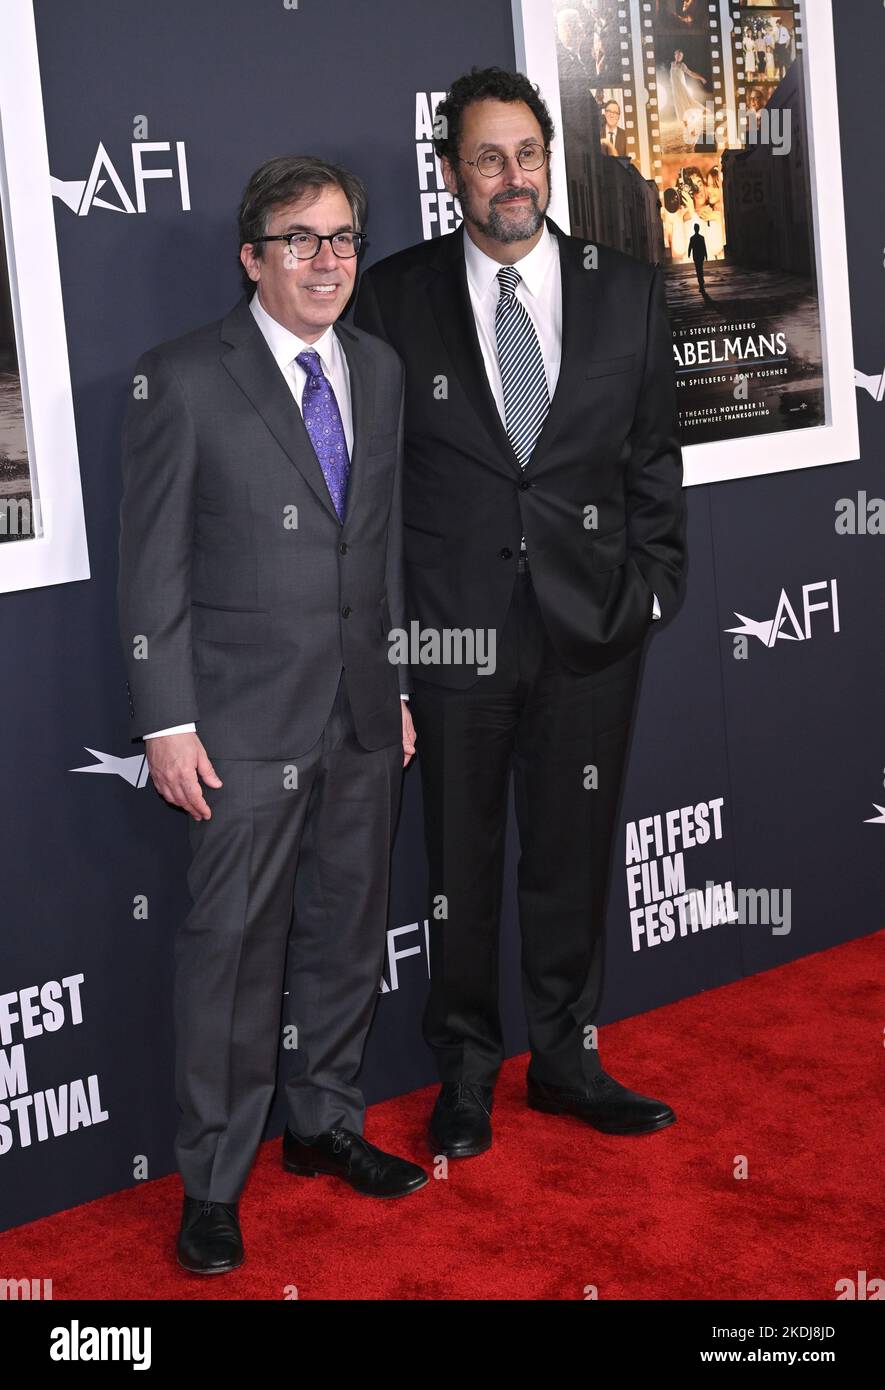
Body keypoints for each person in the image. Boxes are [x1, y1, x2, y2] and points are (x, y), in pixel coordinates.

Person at [355, 68, 686, 1161]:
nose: (512, 178)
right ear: (451, 172)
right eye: (487, 158)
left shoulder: (626, 288)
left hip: (590, 629)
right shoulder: (393, 297)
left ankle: (567, 1058)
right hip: (452, 636)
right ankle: (463, 1070)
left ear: (552, 162)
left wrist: (650, 588)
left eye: (528, 155)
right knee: (460, 862)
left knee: (573, 850)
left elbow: (650, 462)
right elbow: (370, 484)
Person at [118, 154, 427, 1276]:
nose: (327, 259)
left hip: (357, 709)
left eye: (343, 237)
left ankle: (324, 1122)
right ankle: (211, 1182)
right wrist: (166, 722)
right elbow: (151, 569)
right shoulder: (183, 377)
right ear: (252, 258)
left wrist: (392, 685)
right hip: (238, 726)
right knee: (233, 959)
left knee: (347, 931)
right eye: (300, 239)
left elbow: (378, 546)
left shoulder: (381, 372)